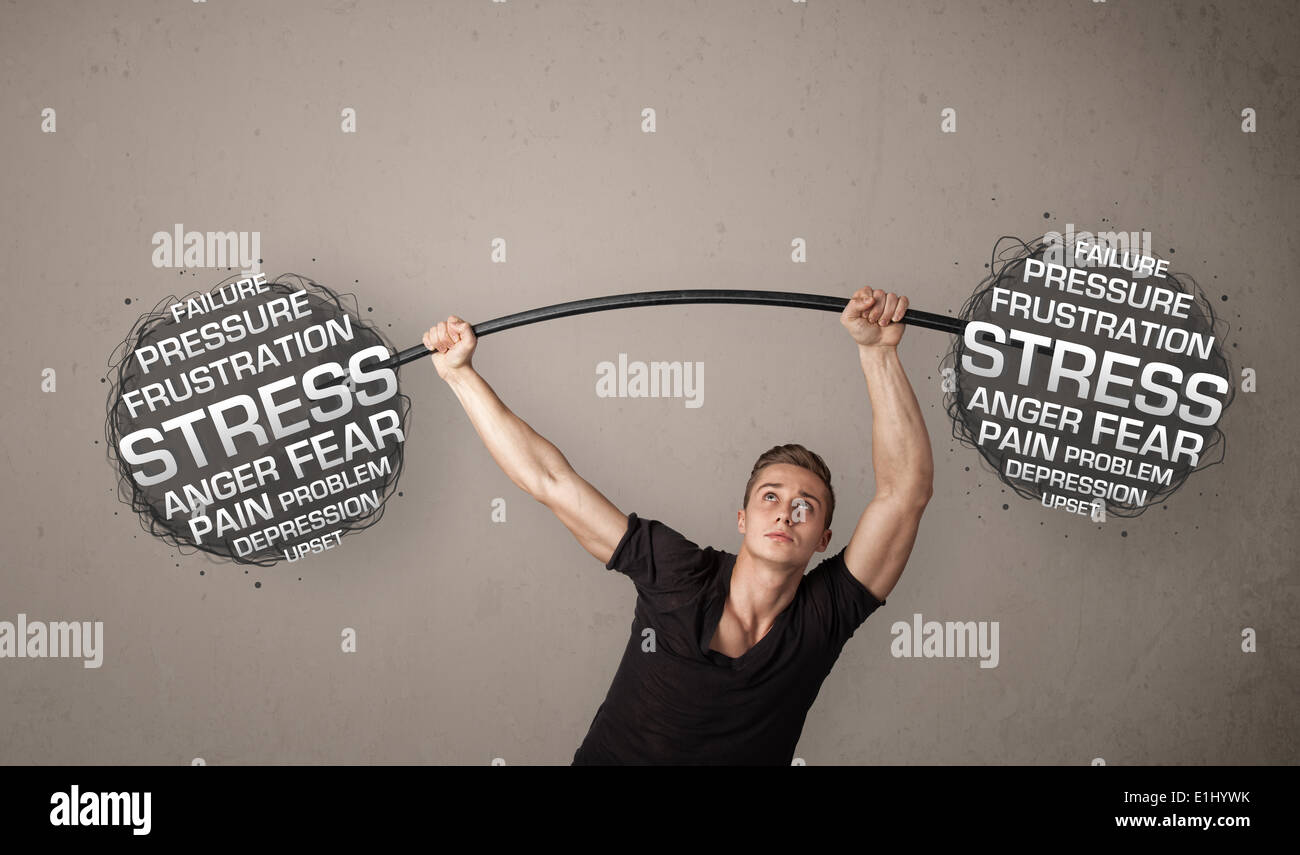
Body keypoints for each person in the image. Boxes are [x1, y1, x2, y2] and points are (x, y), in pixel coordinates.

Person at [423, 288, 934, 764]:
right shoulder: (677, 572)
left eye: (806, 506)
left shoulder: (826, 614)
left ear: (824, 538)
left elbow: (904, 493)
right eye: (770, 497)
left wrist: (878, 353)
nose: (785, 512)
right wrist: (459, 375)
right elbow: (550, 481)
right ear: (742, 518)